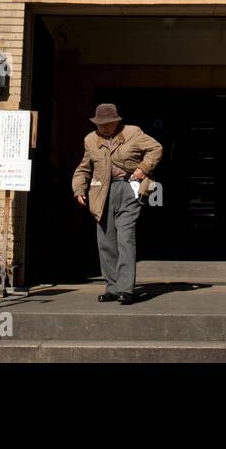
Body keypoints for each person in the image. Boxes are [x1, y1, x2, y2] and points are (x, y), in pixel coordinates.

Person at [71, 103, 162, 304]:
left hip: (128, 189)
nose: (103, 128)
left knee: (125, 238)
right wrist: (79, 189)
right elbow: (84, 168)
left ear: (116, 122)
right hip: (101, 193)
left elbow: (156, 148)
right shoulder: (90, 139)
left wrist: (143, 168)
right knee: (105, 241)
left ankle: (126, 289)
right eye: (100, 124)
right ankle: (112, 287)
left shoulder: (133, 133)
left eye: (107, 124)